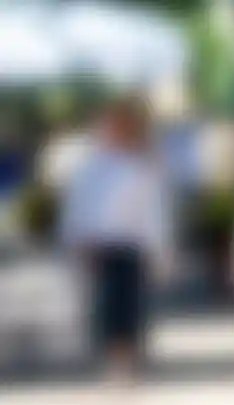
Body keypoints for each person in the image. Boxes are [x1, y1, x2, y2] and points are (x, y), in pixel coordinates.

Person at [60, 98, 172, 380]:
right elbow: (79, 206)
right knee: (104, 304)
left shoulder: (142, 166)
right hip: (99, 246)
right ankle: (114, 356)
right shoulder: (92, 166)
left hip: (131, 246)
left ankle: (126, 358)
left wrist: (159, 248)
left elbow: (153, 211)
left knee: (129, 304)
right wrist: (77, 240)